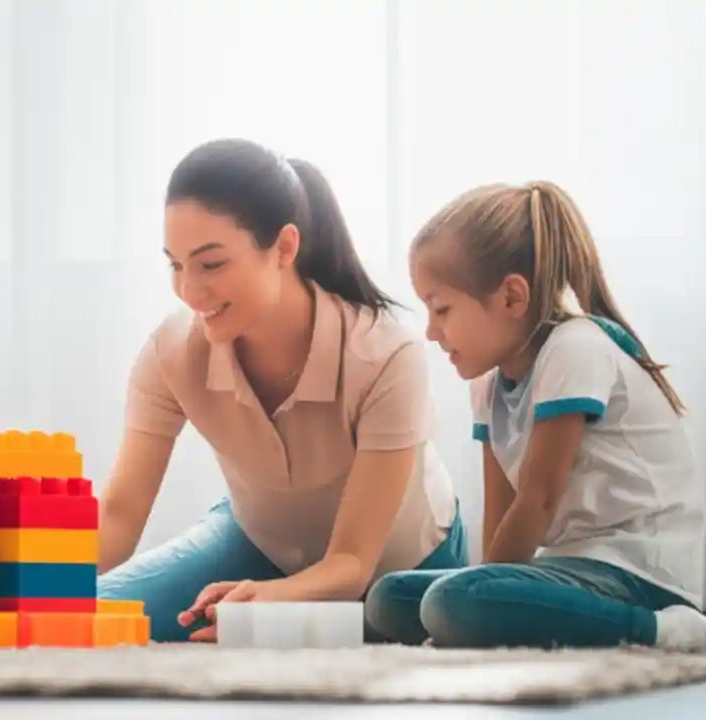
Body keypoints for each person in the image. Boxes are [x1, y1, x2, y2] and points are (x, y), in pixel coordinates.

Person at [97, 138, 466, 642]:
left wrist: (264, 606)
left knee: (321, 631)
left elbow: (352, 563)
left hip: (395, 570)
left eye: (211, 264)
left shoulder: (383, 355)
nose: (189, 290)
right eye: (176, 265)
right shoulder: (171, 352)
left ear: (284, 249)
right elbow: (121, 513)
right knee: (90, 615)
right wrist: (29, 599)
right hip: (260, 547)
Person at [366, 180, 706, 652]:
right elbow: (501, 511)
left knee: (454, 601)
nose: (430, 331)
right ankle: (478, 612)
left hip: (638, 571)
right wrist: (486, 590)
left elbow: (538, 500)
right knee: (389, 598)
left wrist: (478, 597)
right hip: (567, 566)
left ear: (511, 297)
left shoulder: (575, 347)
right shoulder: (487, 383)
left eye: (441, 309)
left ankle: (666, 631)